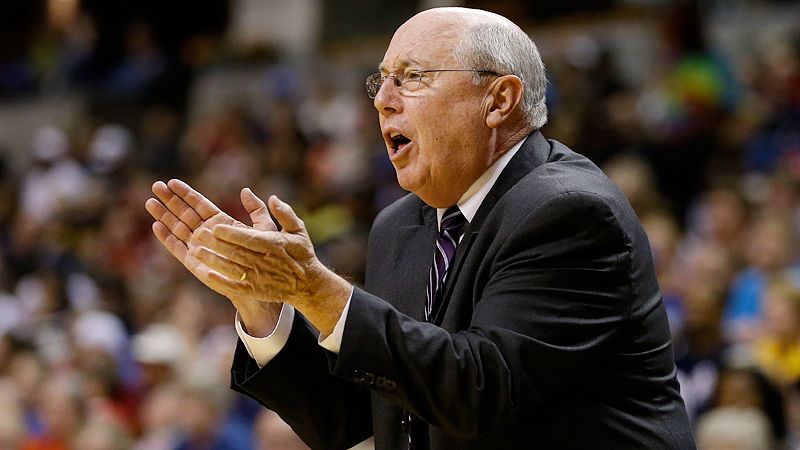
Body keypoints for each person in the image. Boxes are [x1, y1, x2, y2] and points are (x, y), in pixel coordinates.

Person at [145, 7, 695, 449]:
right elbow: (360, 418)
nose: (383, 101)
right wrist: (266, 307)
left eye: (411, 78)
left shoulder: (567, 211)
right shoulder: (400, 225)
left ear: (498, 100)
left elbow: (478, 393)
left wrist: (314, 287)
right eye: (380, 81)